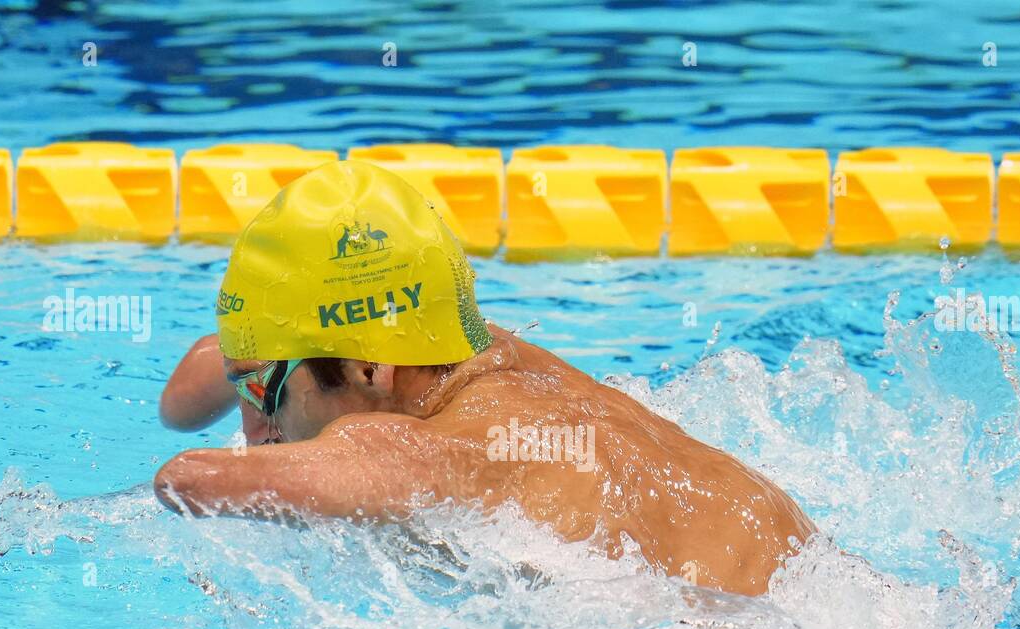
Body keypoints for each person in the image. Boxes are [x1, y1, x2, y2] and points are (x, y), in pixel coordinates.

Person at [155, 161, 814, 596]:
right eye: (244, 387)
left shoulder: (430, 450)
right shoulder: (468, 348)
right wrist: (258, 369)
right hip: (832, 588)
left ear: (367, 369)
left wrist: (264, 384)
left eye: (263, 396)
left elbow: (186, 478)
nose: (253, 427)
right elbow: (182, 398)